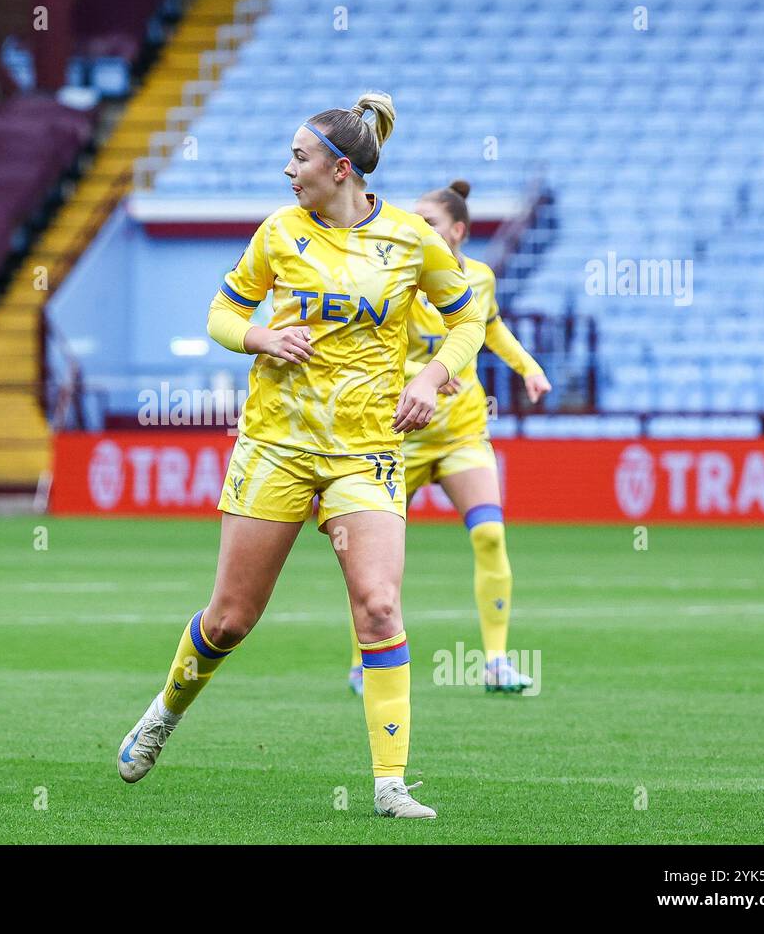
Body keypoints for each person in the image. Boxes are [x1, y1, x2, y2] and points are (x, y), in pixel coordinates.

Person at [116, 93, 486, 819]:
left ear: (340, 169)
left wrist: (432, 374)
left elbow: (466, 315)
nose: (288, 170)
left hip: (366, 450)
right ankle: (164, 711)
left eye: (299, 158)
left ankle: (389, 784)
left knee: (379, 608)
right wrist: (261, 337)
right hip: (277, 446)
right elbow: (223, 314)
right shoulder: (280, 233)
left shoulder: (411, 240)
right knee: (230, 620)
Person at [346, 180, 551, 696]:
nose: (419, 228)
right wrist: (429, 372)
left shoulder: (479, 278)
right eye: (415, 219)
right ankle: (362, 661)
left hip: (462, 433)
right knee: (376, 556)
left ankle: (497, 662)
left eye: (429, 221)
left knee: (489, 534)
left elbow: (491, 328)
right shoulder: (397, 279)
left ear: (457, 231)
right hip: (402, 436)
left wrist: (528, 367)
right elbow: (372, 350)